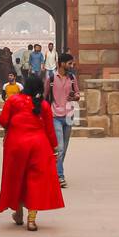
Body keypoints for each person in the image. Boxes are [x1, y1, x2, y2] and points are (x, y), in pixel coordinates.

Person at [0, 74, 64, 230]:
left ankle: (18, 213)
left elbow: (3, 120)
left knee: (16, 178)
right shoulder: (44, 105)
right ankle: (31, 220)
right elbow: (50, 130)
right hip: (39, 146)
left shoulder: (13, 100)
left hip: (16, 144)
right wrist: (54, 148)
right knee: (35, 181)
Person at [45, 52, 79, 187]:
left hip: (69, 115)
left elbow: (77, 93)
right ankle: (60, 176)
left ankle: (55, 171)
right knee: (59, 147)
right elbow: (45, 95)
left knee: (64, 149)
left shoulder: (72, 78)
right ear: (62, 63)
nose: (71, 65)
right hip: (55, 116)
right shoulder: (51, 78)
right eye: (69, 63)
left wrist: (75, 97)